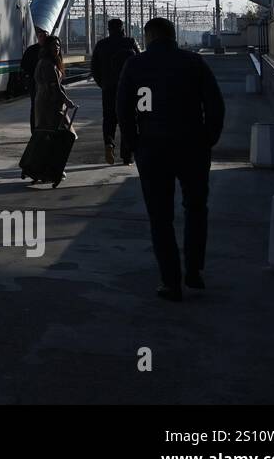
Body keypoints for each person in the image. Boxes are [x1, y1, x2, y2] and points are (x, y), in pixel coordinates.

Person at [117, 17, 225, 302]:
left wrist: (132, 143)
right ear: (173, 35)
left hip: (152, 148)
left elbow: (124, 109)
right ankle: (193, 270)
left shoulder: (135, 65)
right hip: (192, 146)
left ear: (148, 36)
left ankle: (170, 282)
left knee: (160, 217)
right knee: (196, 208)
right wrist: (208, 138)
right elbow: (215, 104)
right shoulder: (193, 63)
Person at [91, 18, 140, 165]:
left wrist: (103, 84)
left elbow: (94, 69)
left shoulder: (101, 45)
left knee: (109, 119)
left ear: (108, 29)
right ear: (122, 28)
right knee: (128, 119)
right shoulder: (130, 42)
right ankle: (127, 156)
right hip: (128, 88)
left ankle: (109, 143)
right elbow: (139, 61)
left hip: (108, 88)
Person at [31, 35, 76, 187]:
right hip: (50, 105)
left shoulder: (45, 62)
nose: (56, 48)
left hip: (44, 103)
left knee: (47, 136)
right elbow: (54, 87)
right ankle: (54, 169)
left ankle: (44, 168)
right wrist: (67, 101)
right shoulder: (48, 65)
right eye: (53, 45)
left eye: (58, 45)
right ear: (47, 47)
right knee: (63, 135)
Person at [20, 28, 49, 131]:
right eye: (41, 36)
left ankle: (44, 128)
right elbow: (24, 65)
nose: (43, 38)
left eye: (45, 36)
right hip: (34, 82)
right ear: (38, 38)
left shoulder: (51, 49)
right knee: (35, 106)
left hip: (48, 83)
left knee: (46, 107)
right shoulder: (31, 50)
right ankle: (34, 130)